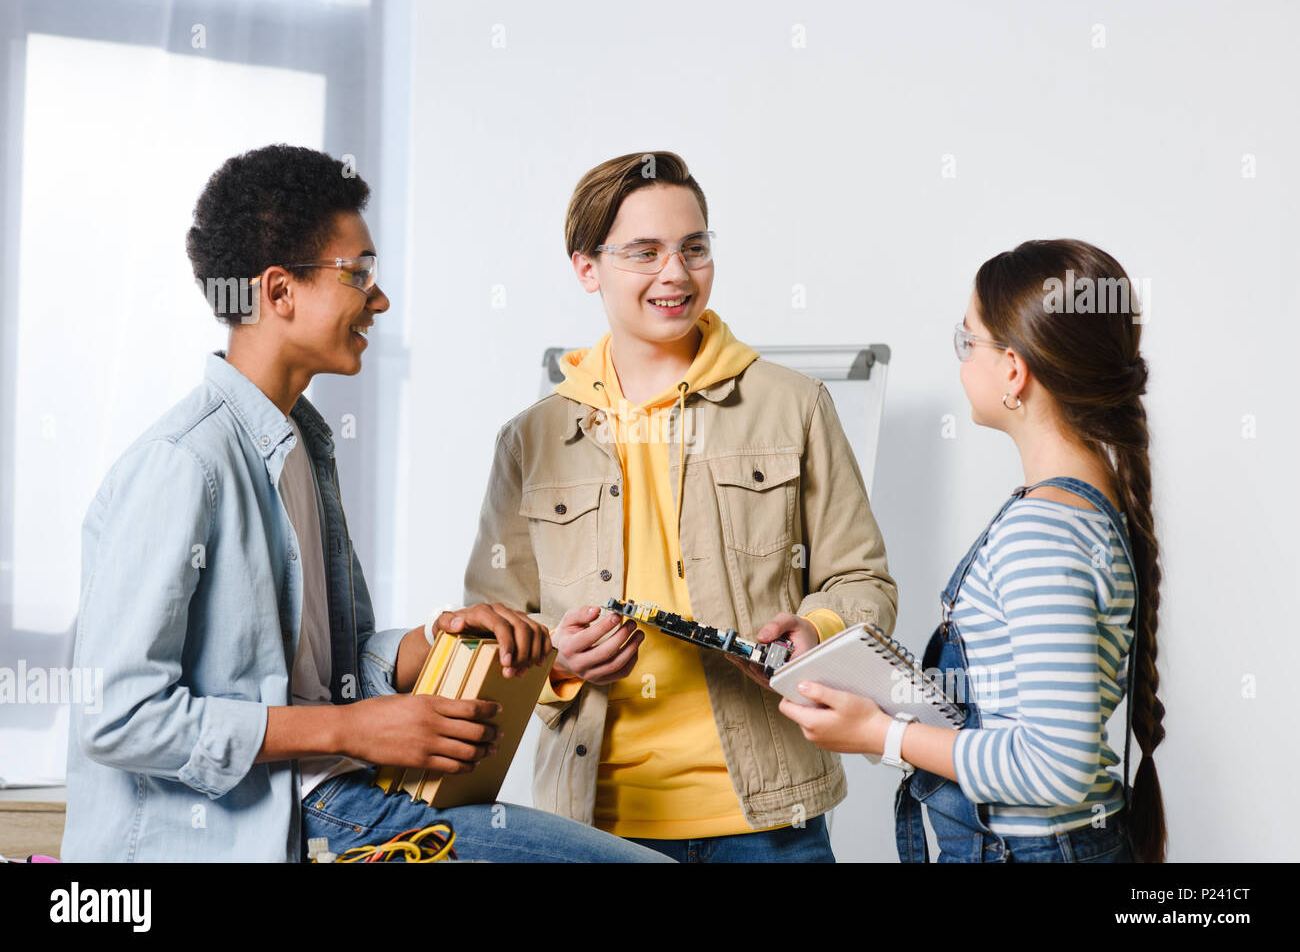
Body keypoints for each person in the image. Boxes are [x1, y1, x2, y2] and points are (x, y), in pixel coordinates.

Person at [61, 144, 671, 863]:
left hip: (338, 798)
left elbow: (326, 670)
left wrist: (432, 642)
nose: (378, 299)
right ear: (278, 291)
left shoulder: (306, 446)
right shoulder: (183, 465)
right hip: (280, 822)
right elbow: (120, 716)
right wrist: (350, 729)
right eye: (359, 274)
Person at [462, 151, 898, 862]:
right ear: (586, 268)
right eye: (645, 252)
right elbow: (491, 626)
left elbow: (864, 580)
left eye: (694, 248)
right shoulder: (531, 437)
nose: (677, 273)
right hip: (592, 828)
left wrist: (815, 630)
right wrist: (560, 661)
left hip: (770, 821)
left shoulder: (795, 405)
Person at [780, 239, 1167, 862]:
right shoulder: (1084, 509)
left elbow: (1053, 766)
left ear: (1013, 370)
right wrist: (875, 705)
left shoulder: (1041, 532)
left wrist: (882, 734)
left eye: (969, 342)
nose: (961, 362)